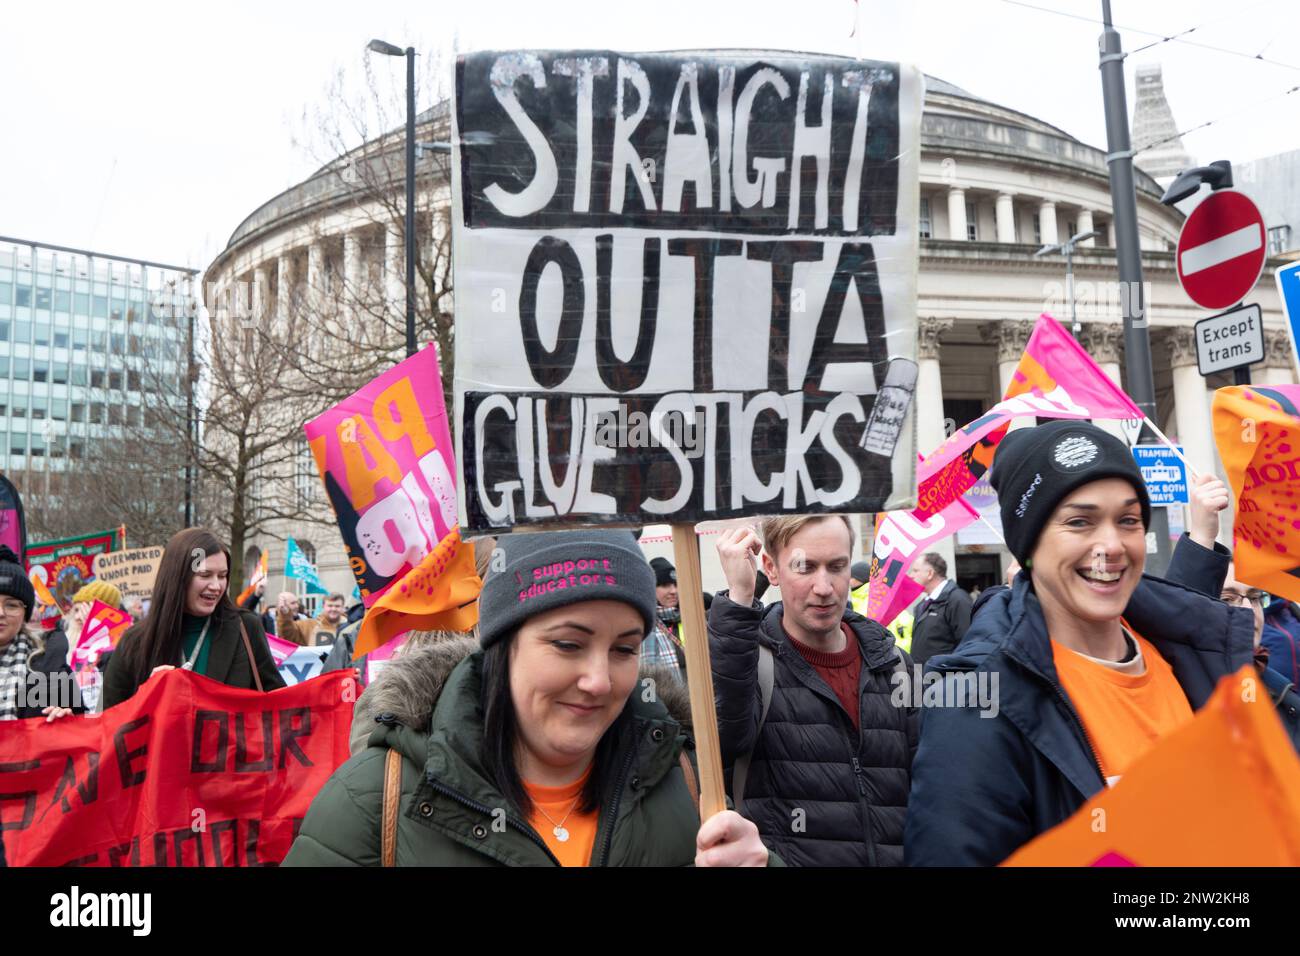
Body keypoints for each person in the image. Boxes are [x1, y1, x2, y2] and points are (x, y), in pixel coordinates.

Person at [284, 529, 774, 867]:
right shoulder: (377, 795)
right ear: (503, 644)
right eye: (568, 644)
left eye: (624, 648)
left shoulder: (685, 782)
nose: (599, 681)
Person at [905, 423, 1256, 866]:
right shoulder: (973, 702)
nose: (1111, 545)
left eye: (1128, 520)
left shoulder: (1199, 652)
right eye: (1079, 522)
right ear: (1029, 545)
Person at [709, 515, 916, 866]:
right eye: (805, 567)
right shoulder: (752, 665)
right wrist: (739, 600)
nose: (824, 587)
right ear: (771, 570)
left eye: (837, 567)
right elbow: (722, 743)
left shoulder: (895, 665)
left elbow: (930, 791)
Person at [102, 528, 285, 708]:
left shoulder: (246, 627)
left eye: (222, 576)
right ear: (178, 577)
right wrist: (148, 696)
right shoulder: (135, 642)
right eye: (205, 575)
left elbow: (281, 704)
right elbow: (108, 722)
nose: (216, 586)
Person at [0, 547, 79, 721]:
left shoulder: (53, 665)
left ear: (25, 614)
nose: (1, 613)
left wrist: (69, 718)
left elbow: (84, 731)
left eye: (11, 605)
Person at [906, 552, 973, 666]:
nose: (911, 575)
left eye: (915, 571)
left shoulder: (957, 599)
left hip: (946, 679)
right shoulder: (922, 604)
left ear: (930, 574)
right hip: (922, 678)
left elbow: (968, 644)